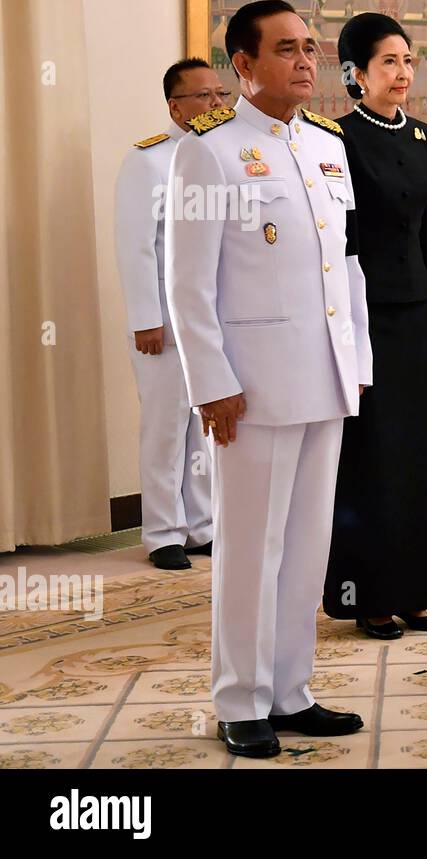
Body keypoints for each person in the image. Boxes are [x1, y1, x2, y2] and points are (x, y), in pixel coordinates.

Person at [166, 0, 372, 757]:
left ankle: (291, 690)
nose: (306, 61)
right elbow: (186, 282)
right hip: (248, 388)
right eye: (287, 49)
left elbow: (343, 264)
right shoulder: (209, 151)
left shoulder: (326, 144)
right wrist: (209, 381)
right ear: (244, 66)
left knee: (307, 543)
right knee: (251, 548)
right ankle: (240, 699)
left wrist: (359, 365)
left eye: (311, 48)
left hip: (324, 376)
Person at [317, 13, 427, 640]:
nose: (402, 74)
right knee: (368, 457)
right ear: (355, 73)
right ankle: (366, 595)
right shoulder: (335, 139)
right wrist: (342, 326)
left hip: (416, 313)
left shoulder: (425, 137)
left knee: (411, 458)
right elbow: (337, 243)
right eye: (388, 63)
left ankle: (411, 593)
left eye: (408, 61)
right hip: (360, 314)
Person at [114, 59, 224, 571]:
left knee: (205, 422)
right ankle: (162, 531)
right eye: (202, 97)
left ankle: (201, 526)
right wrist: (145, 318)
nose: (214, 105)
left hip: (210, 318)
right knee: (164, 425)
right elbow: (135, 246)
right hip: (162, 318)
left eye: (219, 95)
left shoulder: (220, 155)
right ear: (175, 106)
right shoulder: (149, 161)